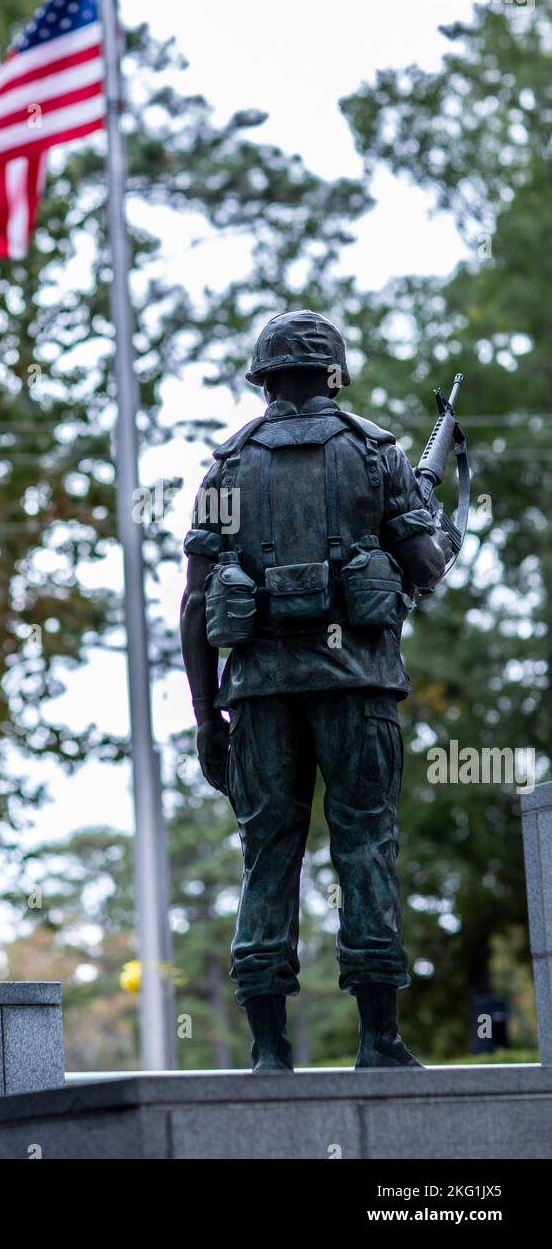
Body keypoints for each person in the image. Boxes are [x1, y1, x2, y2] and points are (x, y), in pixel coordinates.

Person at [180, 309, 451, 1073]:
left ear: (262, 377)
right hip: (355, 686)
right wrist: (443, 528)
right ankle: (378, 1042)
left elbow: (196, 605)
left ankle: (268, 1052)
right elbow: (426, 568)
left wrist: (209, 717)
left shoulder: (226, 466)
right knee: (365, 850)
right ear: (333, 371)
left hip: (259, 694)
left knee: (266, 858)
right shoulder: (375, 455)